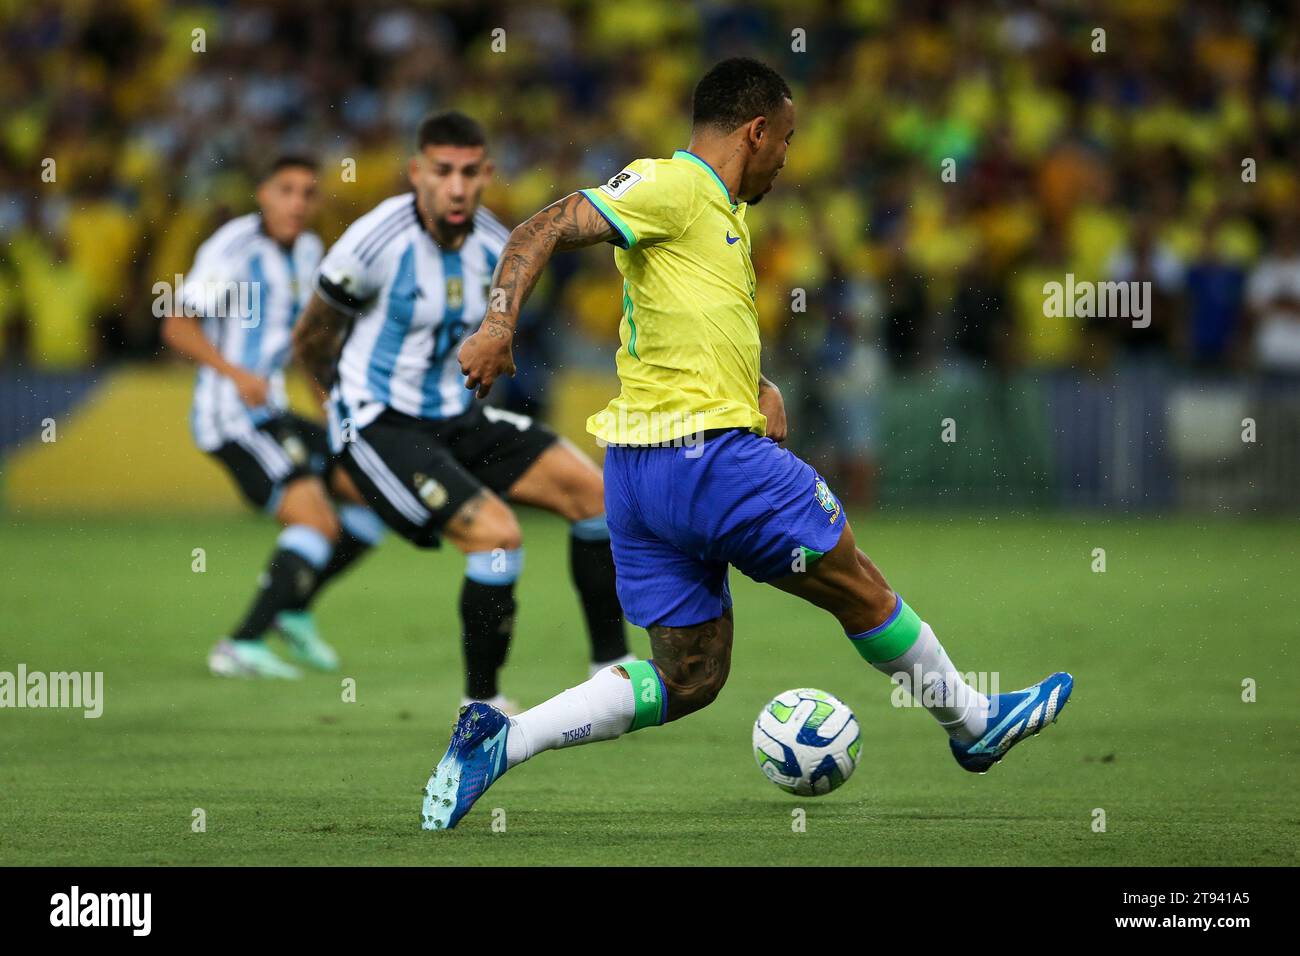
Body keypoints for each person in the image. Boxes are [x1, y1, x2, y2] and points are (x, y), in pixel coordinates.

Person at [427, 58, 1074, 830]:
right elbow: (543, 226)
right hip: (709, 462)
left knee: (691, 675)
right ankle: (971, 723)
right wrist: (499, 323)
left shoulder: (718, 217)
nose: (788, 159)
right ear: (757, 131)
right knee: (856, 580)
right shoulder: (673, 184)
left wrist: (754, 383)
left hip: (639, 476)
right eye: (787, 141)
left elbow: (681, 320)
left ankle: (501, 742)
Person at [292, 112, 631, 713]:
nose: (456, 187)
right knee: (497, 536)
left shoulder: (497, 247)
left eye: (470, 173)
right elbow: (312, 338)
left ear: (487, 175)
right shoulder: (373, 242)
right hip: (381, 423)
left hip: (457, 421)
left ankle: (612, 670)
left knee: (597, 496)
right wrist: (341, 416)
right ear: (416, 172)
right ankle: (482, 706)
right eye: (443, 171)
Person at [162, 154, 383, 679]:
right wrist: (235, 372)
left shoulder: (308, 251)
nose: (298, 203)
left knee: (375, 497)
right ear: (262, 193)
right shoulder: (232, 249)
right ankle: (240, 643)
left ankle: (295, 608)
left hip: (275, 410)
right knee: (315, 520)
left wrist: (328, 405)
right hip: (232, 416)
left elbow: (304, 342)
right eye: (286, 190)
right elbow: (176, 325)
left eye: (308, 193)